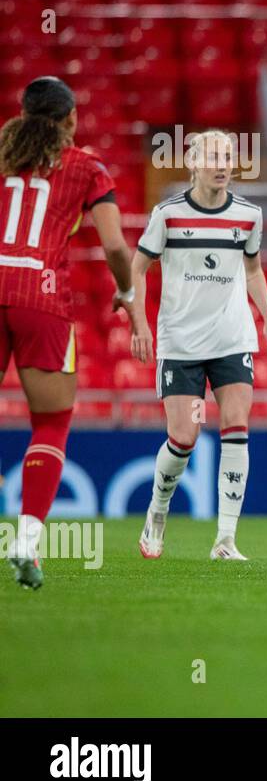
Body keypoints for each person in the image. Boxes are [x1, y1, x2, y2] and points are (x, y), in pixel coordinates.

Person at [0, 76, 141, 589]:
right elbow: (117, 248)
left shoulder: (1, 155)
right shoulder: (85, 166)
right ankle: (26, 543)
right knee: (51, 423)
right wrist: (126, 293)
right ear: (71, 120)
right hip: (40, 298)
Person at [129, 129, 267, 561]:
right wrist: (139, 322)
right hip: (181, 346)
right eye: (213, 157)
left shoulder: (248, 216)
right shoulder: (168, 215)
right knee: (185, 436)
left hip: (232, 340)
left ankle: (225, 539)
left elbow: (252, 271)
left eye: (228, 157)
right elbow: (137, 269)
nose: (222, 165)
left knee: (236, 427)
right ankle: (157, 514)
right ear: (193, 163)